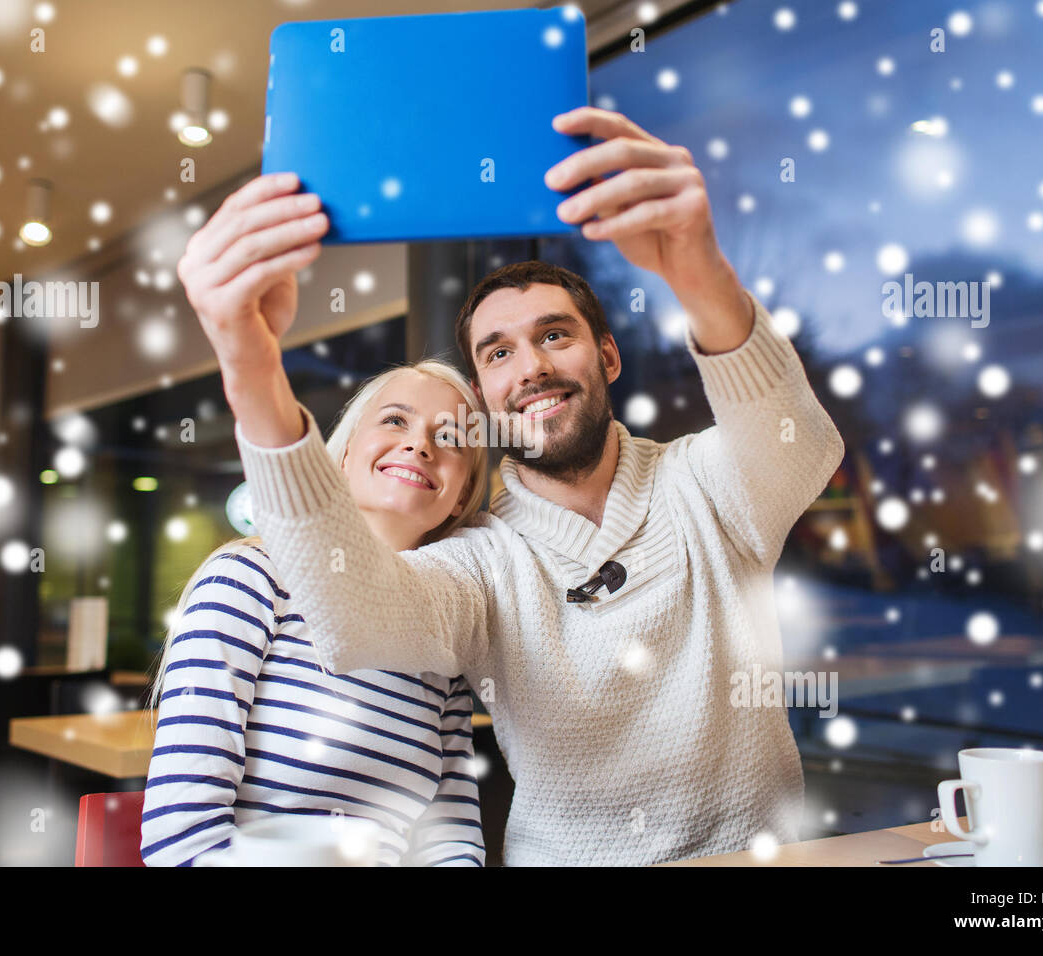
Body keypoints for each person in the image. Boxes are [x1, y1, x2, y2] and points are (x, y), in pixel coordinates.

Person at [180, 106, 845, 865]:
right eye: (497, 354)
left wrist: (698, 271)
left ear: (609, 357)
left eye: (554, 336)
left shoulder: (704, 482)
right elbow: (354, 614)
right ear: (487, 401)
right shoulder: (480, 558)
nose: (529, 367)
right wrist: (251, 367)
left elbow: (801, 449)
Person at [141, 359, 489, 867]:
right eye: (395, 420)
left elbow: (451, 842)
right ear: (343, 455)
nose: (420, 444)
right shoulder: (249, 579)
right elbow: (181, 839)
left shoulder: (445, 640)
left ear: (460, 499)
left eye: (452, 438)